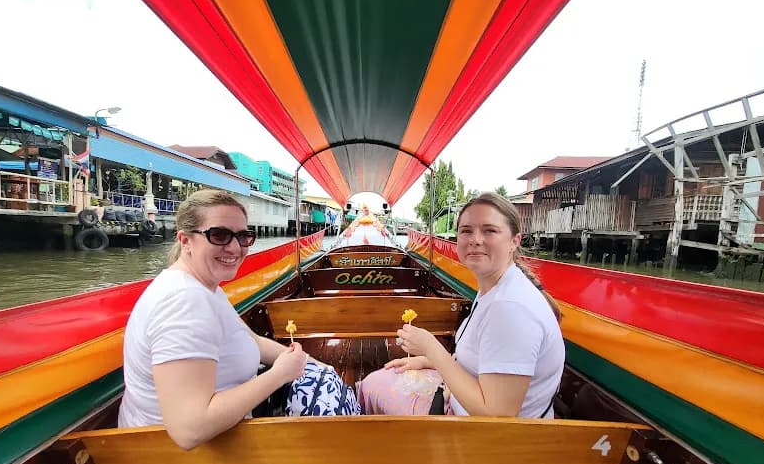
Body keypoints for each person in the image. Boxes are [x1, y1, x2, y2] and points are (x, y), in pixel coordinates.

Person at [117, 189, 308, 449]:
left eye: (243, 236)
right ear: (185, 241)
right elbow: (190, 430)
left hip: (218, 446)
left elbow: (250, 340)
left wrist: (308, 364)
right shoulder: (185, 303)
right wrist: (280, 374)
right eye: (219, 235)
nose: (234, 247)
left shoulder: (207, 288)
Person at [357, 192, 564, 418]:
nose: (475, 239)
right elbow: (479, 360)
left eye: (489, 230)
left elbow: (497, 416)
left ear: (515, 241)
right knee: (380, 379)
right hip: (464, 404)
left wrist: (432, 349)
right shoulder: (496, 289)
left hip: (483, 439)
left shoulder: (510, 309)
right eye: (466, 230)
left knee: (370, 386)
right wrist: (429, 361)